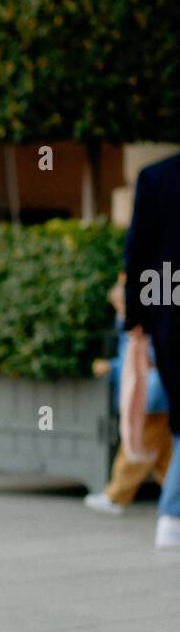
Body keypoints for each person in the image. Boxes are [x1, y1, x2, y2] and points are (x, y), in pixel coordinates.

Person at [124, 154, 180, 549]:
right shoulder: (156, 175)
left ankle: (172, 514)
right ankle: (173, 512)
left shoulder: (156, 176)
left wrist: (136, 317)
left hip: (166, 300)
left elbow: (139, 247)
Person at [85, 273, 173, 515]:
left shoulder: (143, 334)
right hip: (154, 399)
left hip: (149, 400)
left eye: (121, 307)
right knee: (164, 455)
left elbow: (141, 367)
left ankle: (116, 496)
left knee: (136, 449)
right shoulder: (136, 333)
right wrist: (113, 368)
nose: (118, 313)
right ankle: (174, 502)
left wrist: (114, 368)